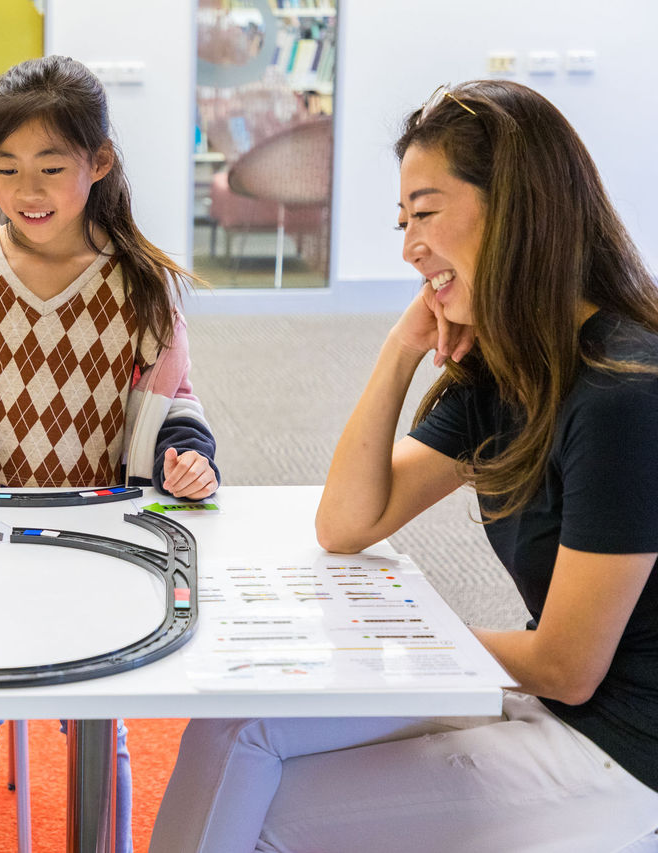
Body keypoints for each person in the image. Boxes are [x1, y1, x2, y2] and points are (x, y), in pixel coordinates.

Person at [148, 80, 658, 852]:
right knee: (236, 727)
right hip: (548, 704)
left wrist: (414, 637)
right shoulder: (507, 369)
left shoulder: (623, 392)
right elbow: (347, 521)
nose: (407, 245)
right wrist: (400, 350)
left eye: (424, 213)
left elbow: (567, 664)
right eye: (402, 220)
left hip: (623, 748)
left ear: (517, 207)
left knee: (269, 821)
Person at [0, 55, 221, 853]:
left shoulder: (142, 284)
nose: (26, 191)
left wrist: (189, 455)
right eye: (5, 169)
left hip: (97, 541)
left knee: (97, 731)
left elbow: (175, 402)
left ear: (97, 163)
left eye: (50, 168)